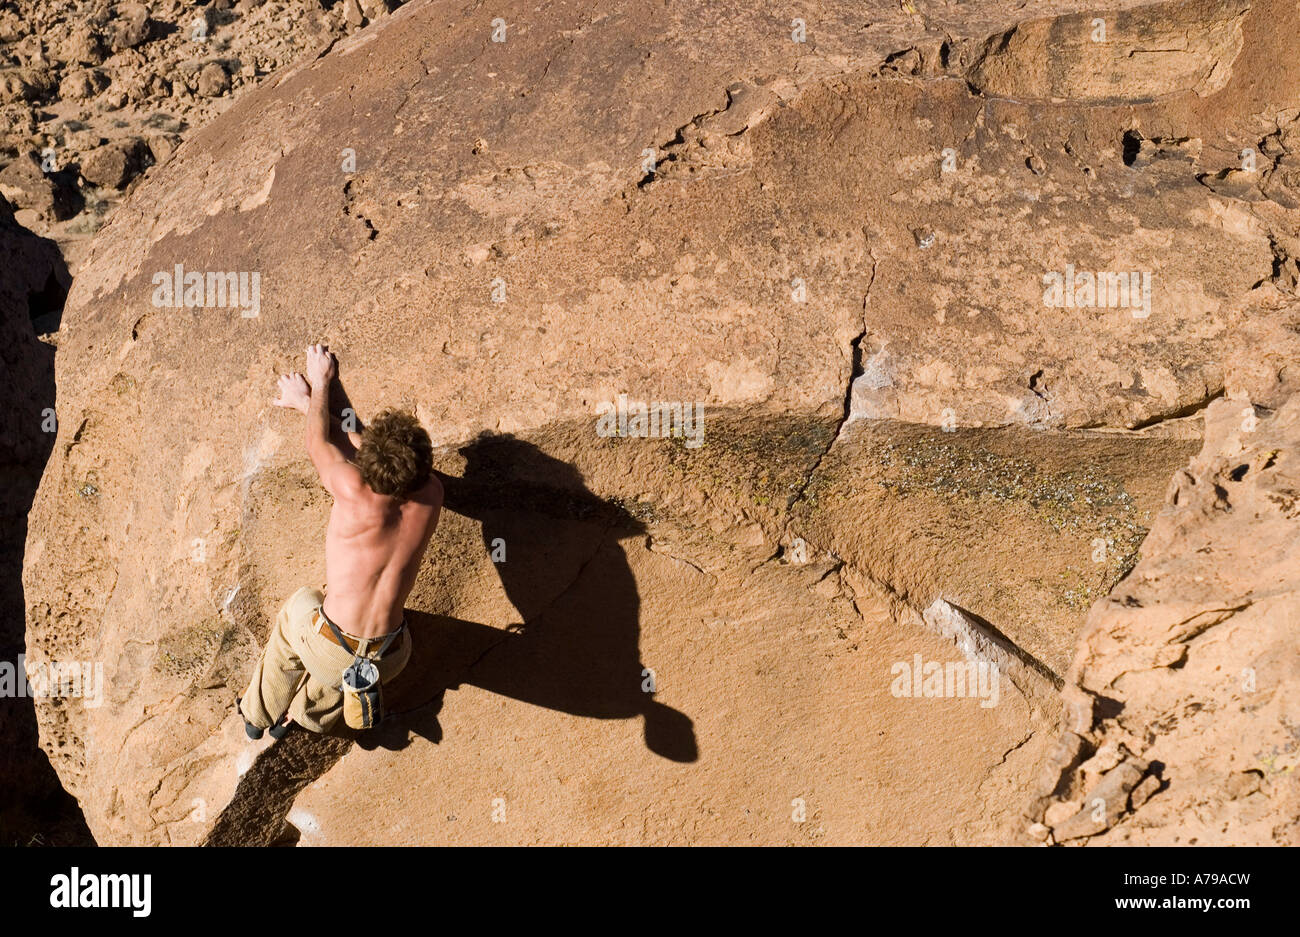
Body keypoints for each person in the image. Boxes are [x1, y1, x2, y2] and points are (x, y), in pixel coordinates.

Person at [238, 344, 443, 738]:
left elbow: (320, 444)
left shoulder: (351, 488)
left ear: (366, 466)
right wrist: (310, 403)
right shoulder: (432, 494)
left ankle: (256, 715)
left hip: (331, 648)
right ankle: (304, 718)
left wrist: (317, 387)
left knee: (298, 609)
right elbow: (373, 451)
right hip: (390, 658)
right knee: (339, 662)